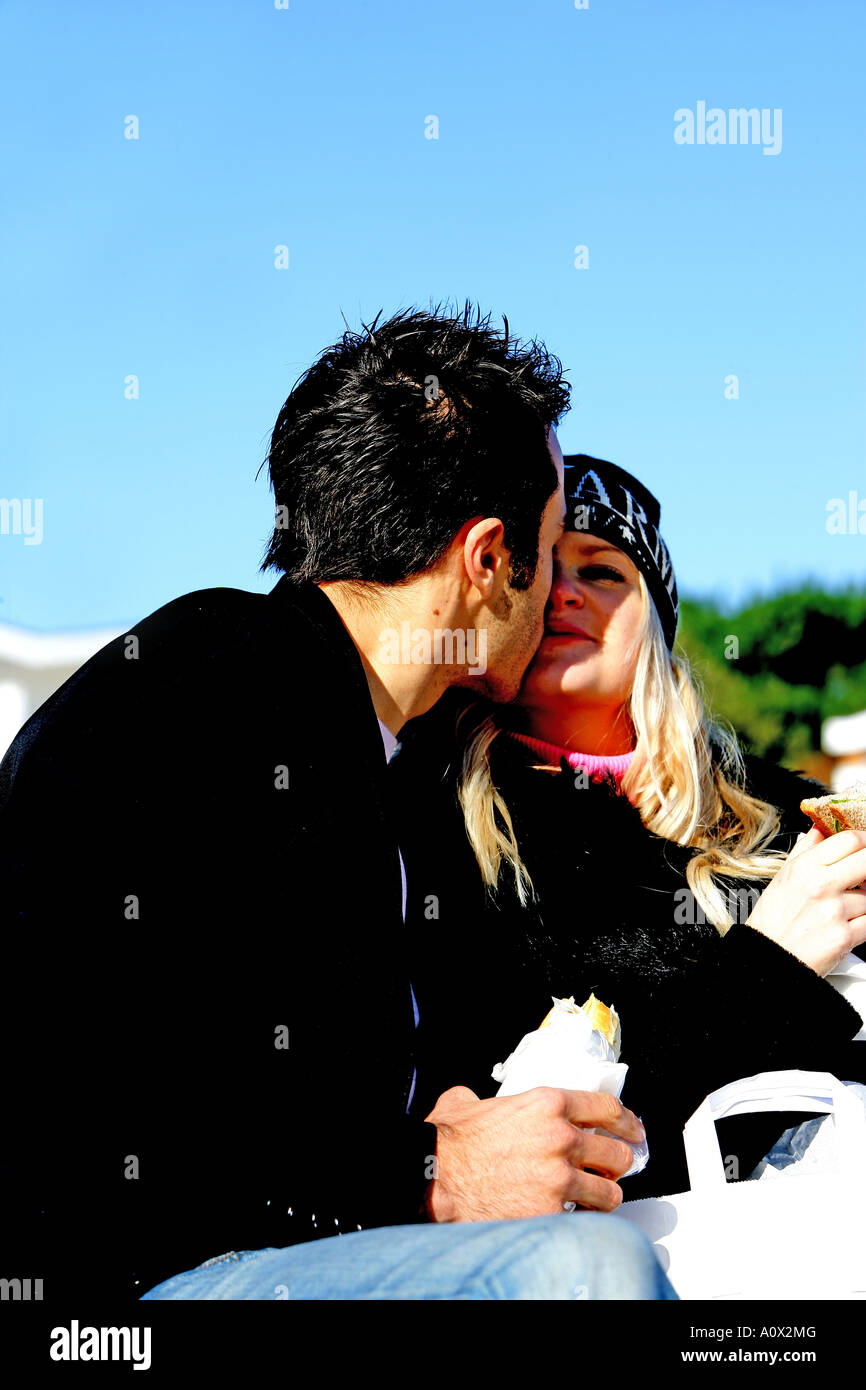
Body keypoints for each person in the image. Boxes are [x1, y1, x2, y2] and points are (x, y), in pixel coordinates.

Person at [0, 314, 675, 1302]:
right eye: (546, 544)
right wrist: (425, 1172)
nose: (556, 598)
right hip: (116, 1302)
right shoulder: (206, 682)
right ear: (487, 559)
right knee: (583, 1271)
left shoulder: (394, 767)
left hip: (271, 1265)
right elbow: (88, 1107)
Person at [390, 454, 866, 1198]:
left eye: (604, 571)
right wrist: (770, 971)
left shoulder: (788, 823)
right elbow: (552, 1141)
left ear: (656, 620)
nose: (563, 593)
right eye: (539, 567)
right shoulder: (436, 830)